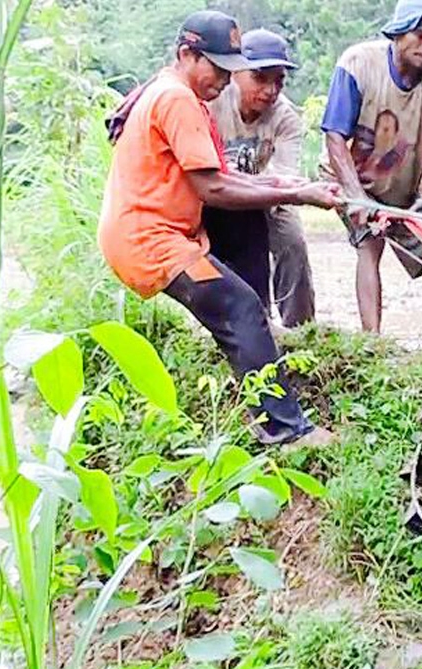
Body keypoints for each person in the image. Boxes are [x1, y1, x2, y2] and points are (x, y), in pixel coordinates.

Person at [98, 10, 338, 446]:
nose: (226, 80)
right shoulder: (177, 99)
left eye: (231, 70)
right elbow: (213, 188)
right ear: (187, 54)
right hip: (153, 242)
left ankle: (256, 362)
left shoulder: (171, 90)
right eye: (218, 68)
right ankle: (286, 430)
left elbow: (223, 177)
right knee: (241, 309)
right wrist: (297, 195)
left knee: (244, 278)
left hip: (159, 233)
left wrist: (286, 183)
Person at [320, 0, 422, 335]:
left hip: (403, 190)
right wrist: (356, 197)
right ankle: (373, 341)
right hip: (350, 179)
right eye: (420, 35)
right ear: (399, 33)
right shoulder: (358, 63)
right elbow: (335, 137)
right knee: (371, 242)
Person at [207, 29, 316, 328]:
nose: (270, 90)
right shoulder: (212, 105)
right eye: (260, 77)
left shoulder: (286, 118)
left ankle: (301, 328)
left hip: (266, 197)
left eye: (278, 80)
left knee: (292, 241)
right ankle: (227, 324)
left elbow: (285, 175)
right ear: (236, 72)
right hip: (215, 195)